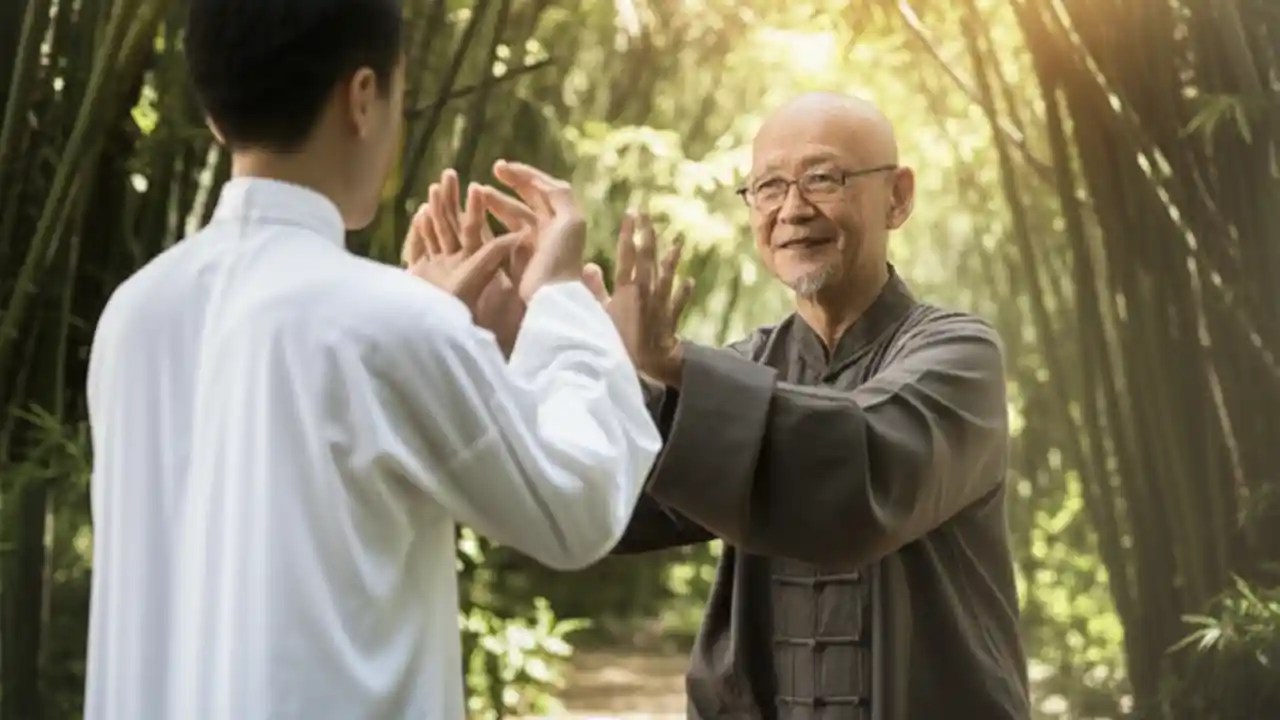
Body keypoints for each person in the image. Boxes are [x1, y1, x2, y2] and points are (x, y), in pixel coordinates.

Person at [82, 1, 687, 718]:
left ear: (215, 114)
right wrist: (564, 310)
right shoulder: (389, 322)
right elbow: (574, 506)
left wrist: (450, 337)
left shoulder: (136, 312)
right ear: (363, 97)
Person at [602, 92, 1031, 719]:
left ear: (898, 197)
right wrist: (514, 358)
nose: (792, 210)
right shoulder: (747, 364)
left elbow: (860, 471)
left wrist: (676, 364)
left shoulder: (958, 355)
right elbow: (616, 499)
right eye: (769, 187)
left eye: (823, 179)